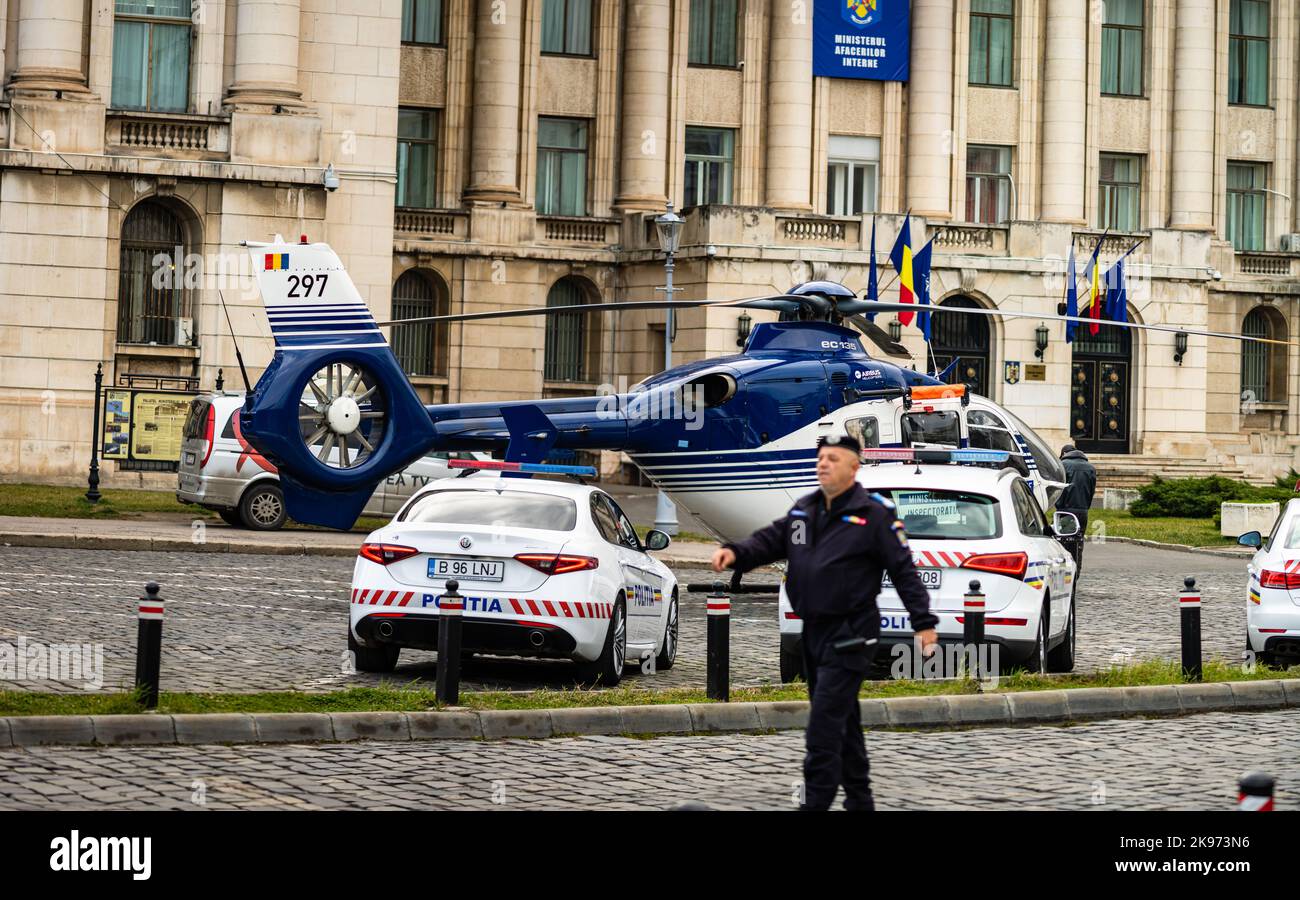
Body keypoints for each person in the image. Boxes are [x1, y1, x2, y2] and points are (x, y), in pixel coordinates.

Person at [710, 433, 938, 811]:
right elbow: (770, 541)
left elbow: (904, 571)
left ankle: (813, 803)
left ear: (854, 467)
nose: (823, 464)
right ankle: (860, 801)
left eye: (833, 458)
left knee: (824, 727)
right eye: (820, 458)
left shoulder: (874, 516)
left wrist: (923, 623)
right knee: (843, 721)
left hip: (853, 634)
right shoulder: (805, 510)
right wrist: (735, 552)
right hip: (814, 633)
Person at [1057, 444, 1097, 574]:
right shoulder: (1090, 468)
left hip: (1066, 510)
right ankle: (1077, 571)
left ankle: (1065, 570)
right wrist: (1085, 506)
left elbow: (1059, 489)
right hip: (1082, 511)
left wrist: (1059, 505)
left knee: (1063, 541)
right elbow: (1091, 490)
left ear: (1064, 453)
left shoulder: (1063, 465)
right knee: (1079, 541)